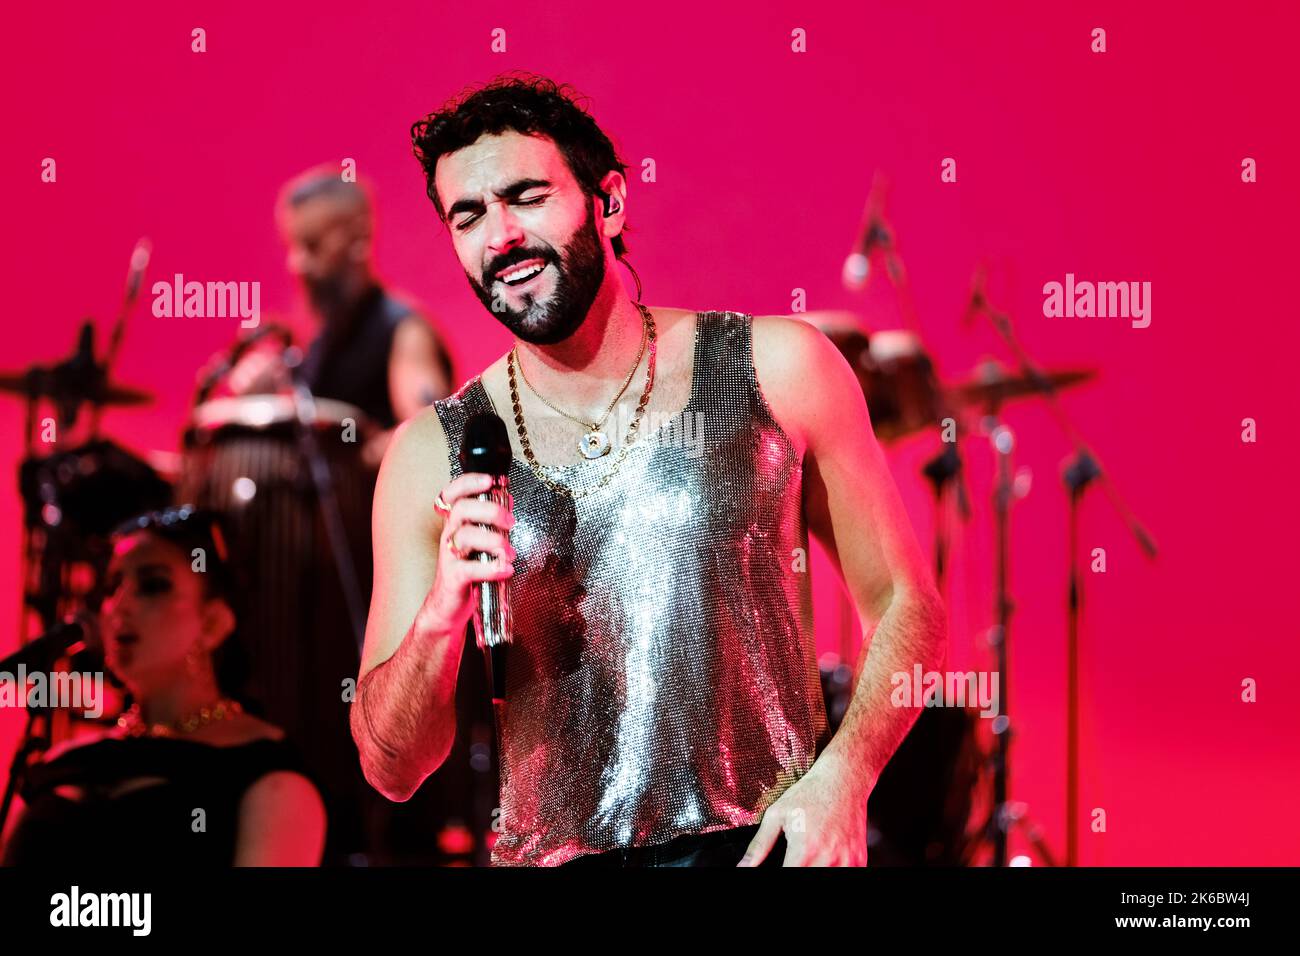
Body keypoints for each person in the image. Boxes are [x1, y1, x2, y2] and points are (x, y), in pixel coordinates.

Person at [350, 73, 947, 867]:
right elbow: (391, 768)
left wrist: (844, 775)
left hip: (753, 847)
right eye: (468, 215)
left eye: (526, 196)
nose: (500, 237)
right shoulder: (432, 450)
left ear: (612, 201)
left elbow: (909, 606)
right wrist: (439, 616)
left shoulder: (778, 366)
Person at [0, 506, 326, 866]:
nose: (118, 606)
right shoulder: (63, 760)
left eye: (153, 585)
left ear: (213, 621)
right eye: (112, 586)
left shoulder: (264, 774)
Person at [229, 166, 455, 467]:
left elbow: (431, 433)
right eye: (292, 246)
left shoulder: (405, 332)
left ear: (358, 239)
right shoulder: (323, 339)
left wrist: (353, 460)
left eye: (312, 246)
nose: (296, 263)